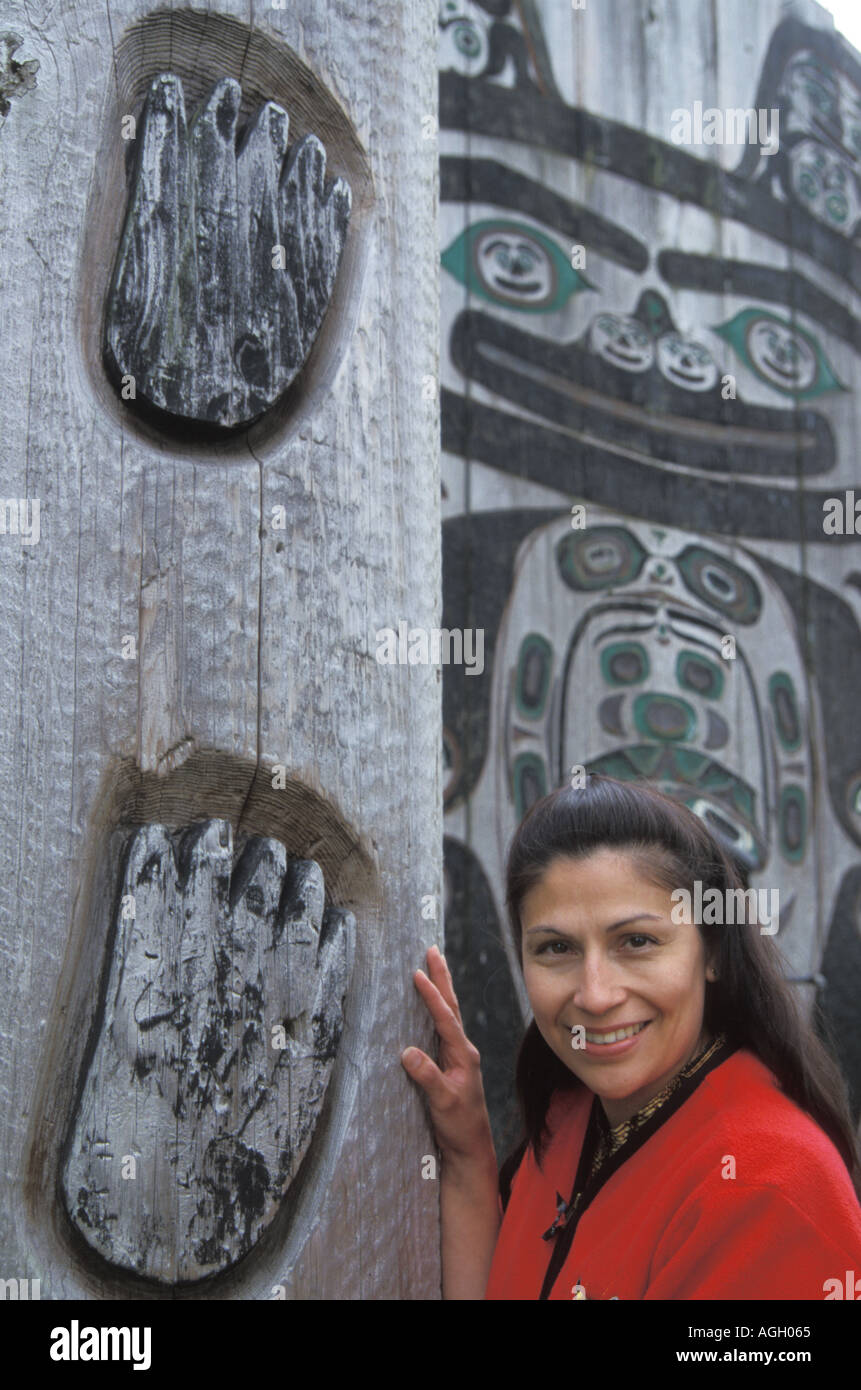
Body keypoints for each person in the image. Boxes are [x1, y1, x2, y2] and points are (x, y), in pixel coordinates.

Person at [401, 773, 861, 1299]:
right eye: (556, 948)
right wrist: (466, 1155)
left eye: (637, 941)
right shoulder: (571, 1114)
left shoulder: (766, 1192)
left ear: (711, 951)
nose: (595, 995)